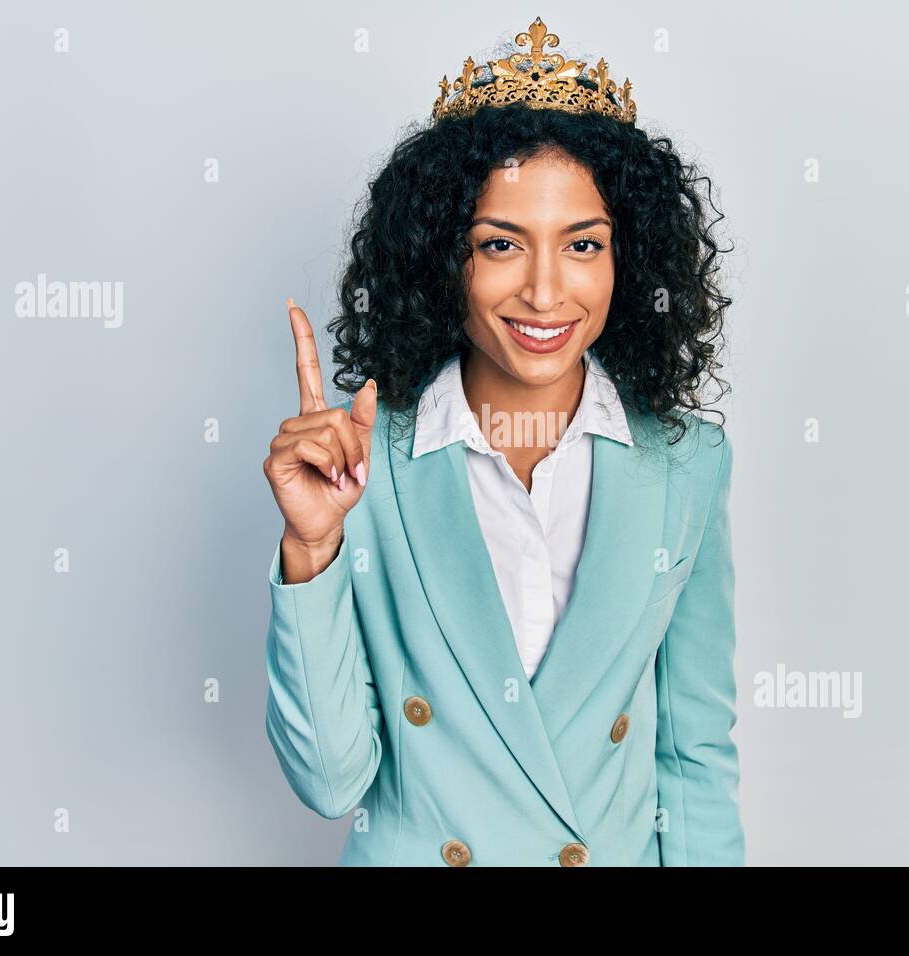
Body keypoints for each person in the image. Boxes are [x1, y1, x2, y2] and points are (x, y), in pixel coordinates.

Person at [262, 17, 742, 866]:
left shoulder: (688, 466)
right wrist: (314, 548)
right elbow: (334, 783)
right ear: (444, 260)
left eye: (583, 244)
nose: (546, 291)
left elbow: (694, 759)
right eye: (500, 245)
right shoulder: (359, 467)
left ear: (628, 261)